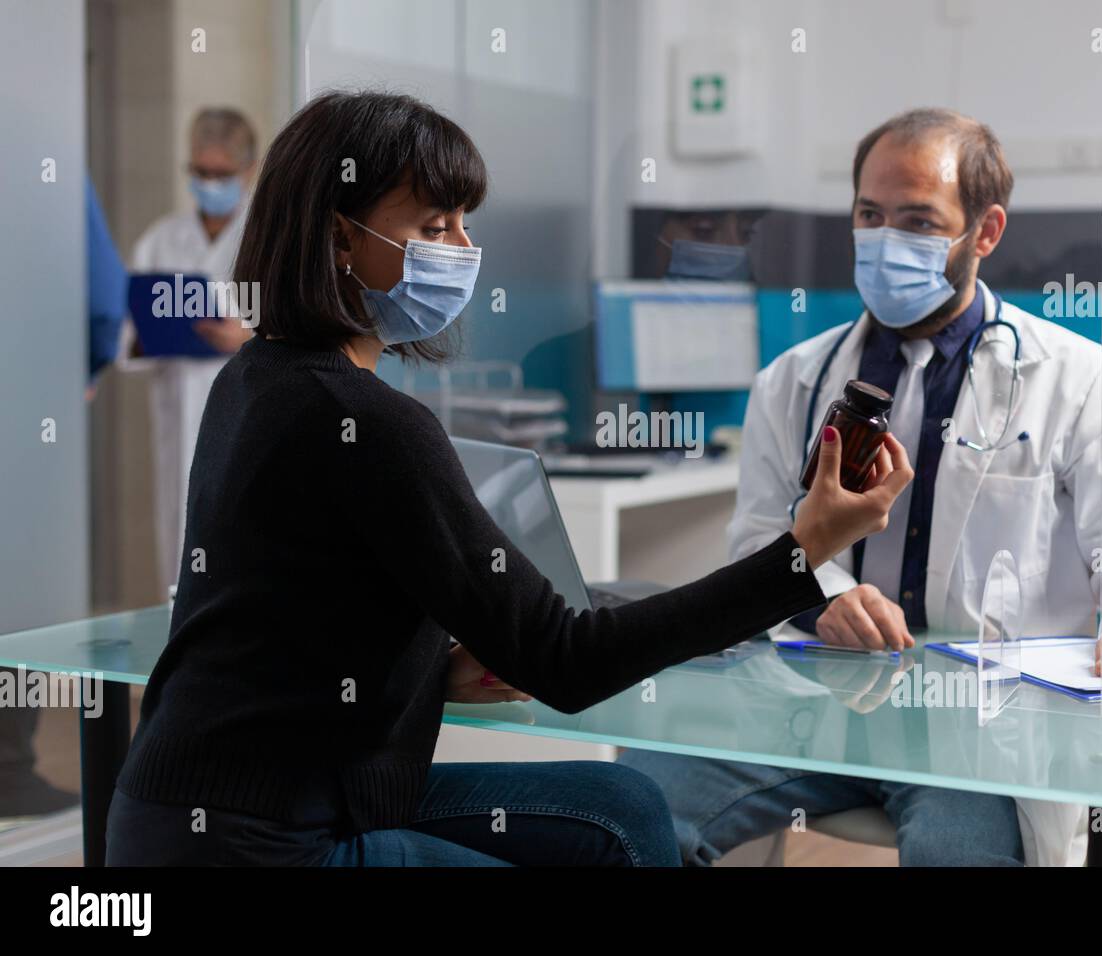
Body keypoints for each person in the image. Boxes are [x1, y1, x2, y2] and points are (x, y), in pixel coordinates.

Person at [104, 91, 914, 867]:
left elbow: (296, 620)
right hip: (269, 839)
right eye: (432, 226)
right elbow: (568, 661)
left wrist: (432, 668)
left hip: (193, 808)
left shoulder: (253, 378)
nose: (461, 251)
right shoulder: (372, 424)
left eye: (463, 224)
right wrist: (805, 551)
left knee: (623, 809)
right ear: (340, 239)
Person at [619, 107, 1102, 867]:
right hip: (815, 706)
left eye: (919, 221)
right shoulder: (792, 380)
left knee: (957, 856)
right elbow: (760, 539)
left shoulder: (1080, 379)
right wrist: (823, 595)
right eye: (870, 215)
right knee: (634, 807)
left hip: (980, 726)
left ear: (985, 232)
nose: (884, 240)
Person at [127, 107, 260, 598]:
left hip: (245, 412)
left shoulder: (267, 236)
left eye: (221, 174)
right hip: (176, 405)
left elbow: (304, 328)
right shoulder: (162, 239)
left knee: (241, 541)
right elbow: (128, 331)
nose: (209, 183)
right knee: (178, 540)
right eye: (199, 173)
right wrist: (150, 332)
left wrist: (243, 338)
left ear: (248, 170)